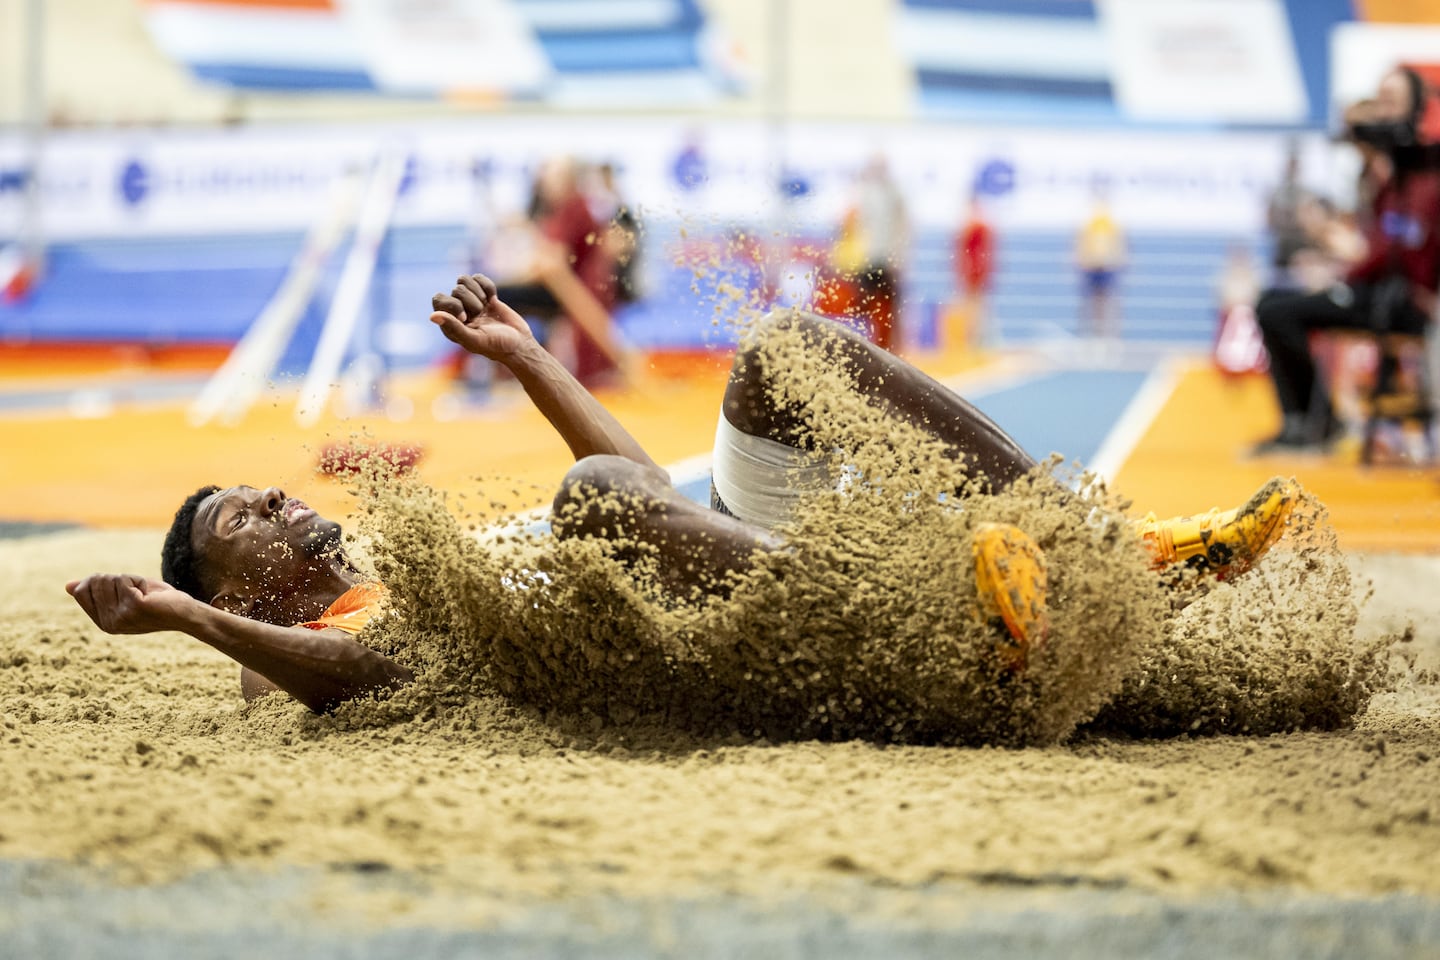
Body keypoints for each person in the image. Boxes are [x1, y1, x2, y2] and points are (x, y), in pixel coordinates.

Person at [66, 275, 1297, 713]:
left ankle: (1087, 539)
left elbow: (648, 492)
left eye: (261, 497)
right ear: (240, 586)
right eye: (244, 524)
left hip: (729, 550)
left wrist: (525, 354)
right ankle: (943, 625)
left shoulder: (424, 548)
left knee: (780, 350)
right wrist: (186, 619)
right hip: (726, 638)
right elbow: (337, 682)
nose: (277, 508)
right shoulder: (310, 640)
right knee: (596, 492)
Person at [1253, 67, 1440, 452]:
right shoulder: (1386, 177)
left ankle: (1318, 424)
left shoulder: (1425, 175)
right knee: (1269, 302)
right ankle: (1304, 421)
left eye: (1391, 102)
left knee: (1278, 312)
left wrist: (1344, 262)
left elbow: (1398, 251)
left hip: (1404, 301)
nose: (1380, 115)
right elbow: (1380, 246)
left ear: (1417, 109)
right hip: (1375, 290)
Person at [1075, 191, 1127, 338]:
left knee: (1108, 304)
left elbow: (1120, 245)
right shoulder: (1088, 221)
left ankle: (1109, 336)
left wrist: (1117, 260)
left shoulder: (1112, 222)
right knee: (1090, 304)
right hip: (1091, 266)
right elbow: (1080, 243)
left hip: (1108, 267)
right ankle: (1090, 337)